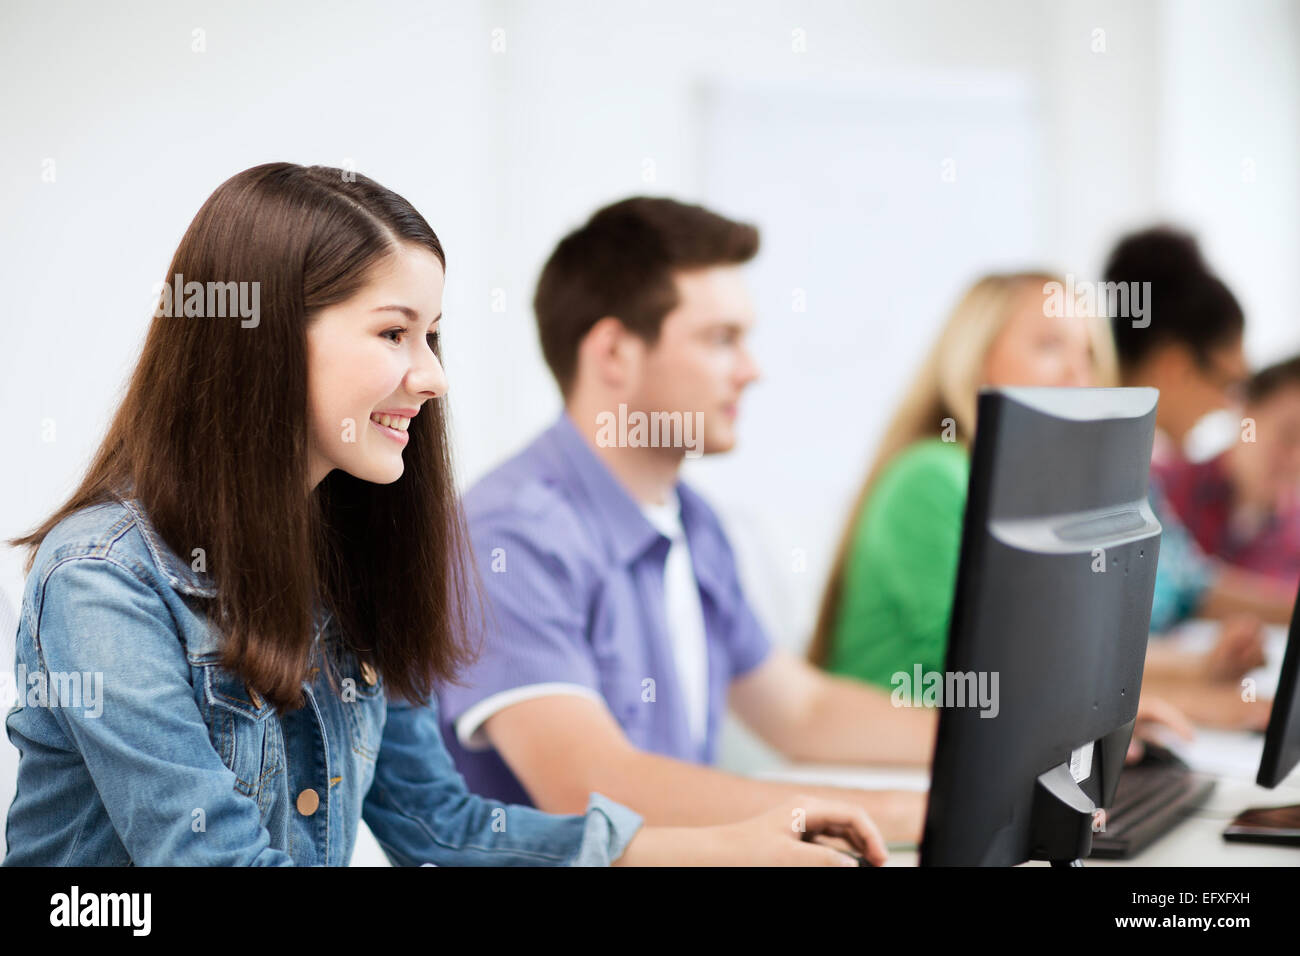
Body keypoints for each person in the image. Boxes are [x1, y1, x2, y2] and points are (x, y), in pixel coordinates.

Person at [2, 164, 884, 867]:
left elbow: (440, 824)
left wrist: (730, 847)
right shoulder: (103, 579)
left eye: (432, 335)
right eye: (394, 334)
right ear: (263, 340)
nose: (432, 376)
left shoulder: (355, 556)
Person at [437, 197, 936, 841]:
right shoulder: (509, 536)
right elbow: (591, 786)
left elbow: (802, 711)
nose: (752, 371)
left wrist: (995, 740)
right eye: (721, 339)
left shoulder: (694, 523)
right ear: (614, 353)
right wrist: (902, 813)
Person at [806, 271, 1197, 752]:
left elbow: (1058, 658)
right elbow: (995, 666)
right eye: (1050, 345)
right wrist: (1199, 698)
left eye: (1089, 355)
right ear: (975, 361)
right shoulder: (932, 475)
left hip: (978, 753)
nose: (1078, 374)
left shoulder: (1029, 497)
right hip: (882, 763)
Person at [1103, 228, 1287, 729]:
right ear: (1175, 365)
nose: (1229, 408)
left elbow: (1193, 584)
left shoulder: (1138, 478)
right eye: (1229, 385)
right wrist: (1203, 700)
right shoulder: (1087, 476)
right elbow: (1067, 660)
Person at [1152, 355, 1300, 590]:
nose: (1295, 459)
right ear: (1247, 417)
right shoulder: (1157, 486)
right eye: (1288, 434)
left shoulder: (1294, 543)